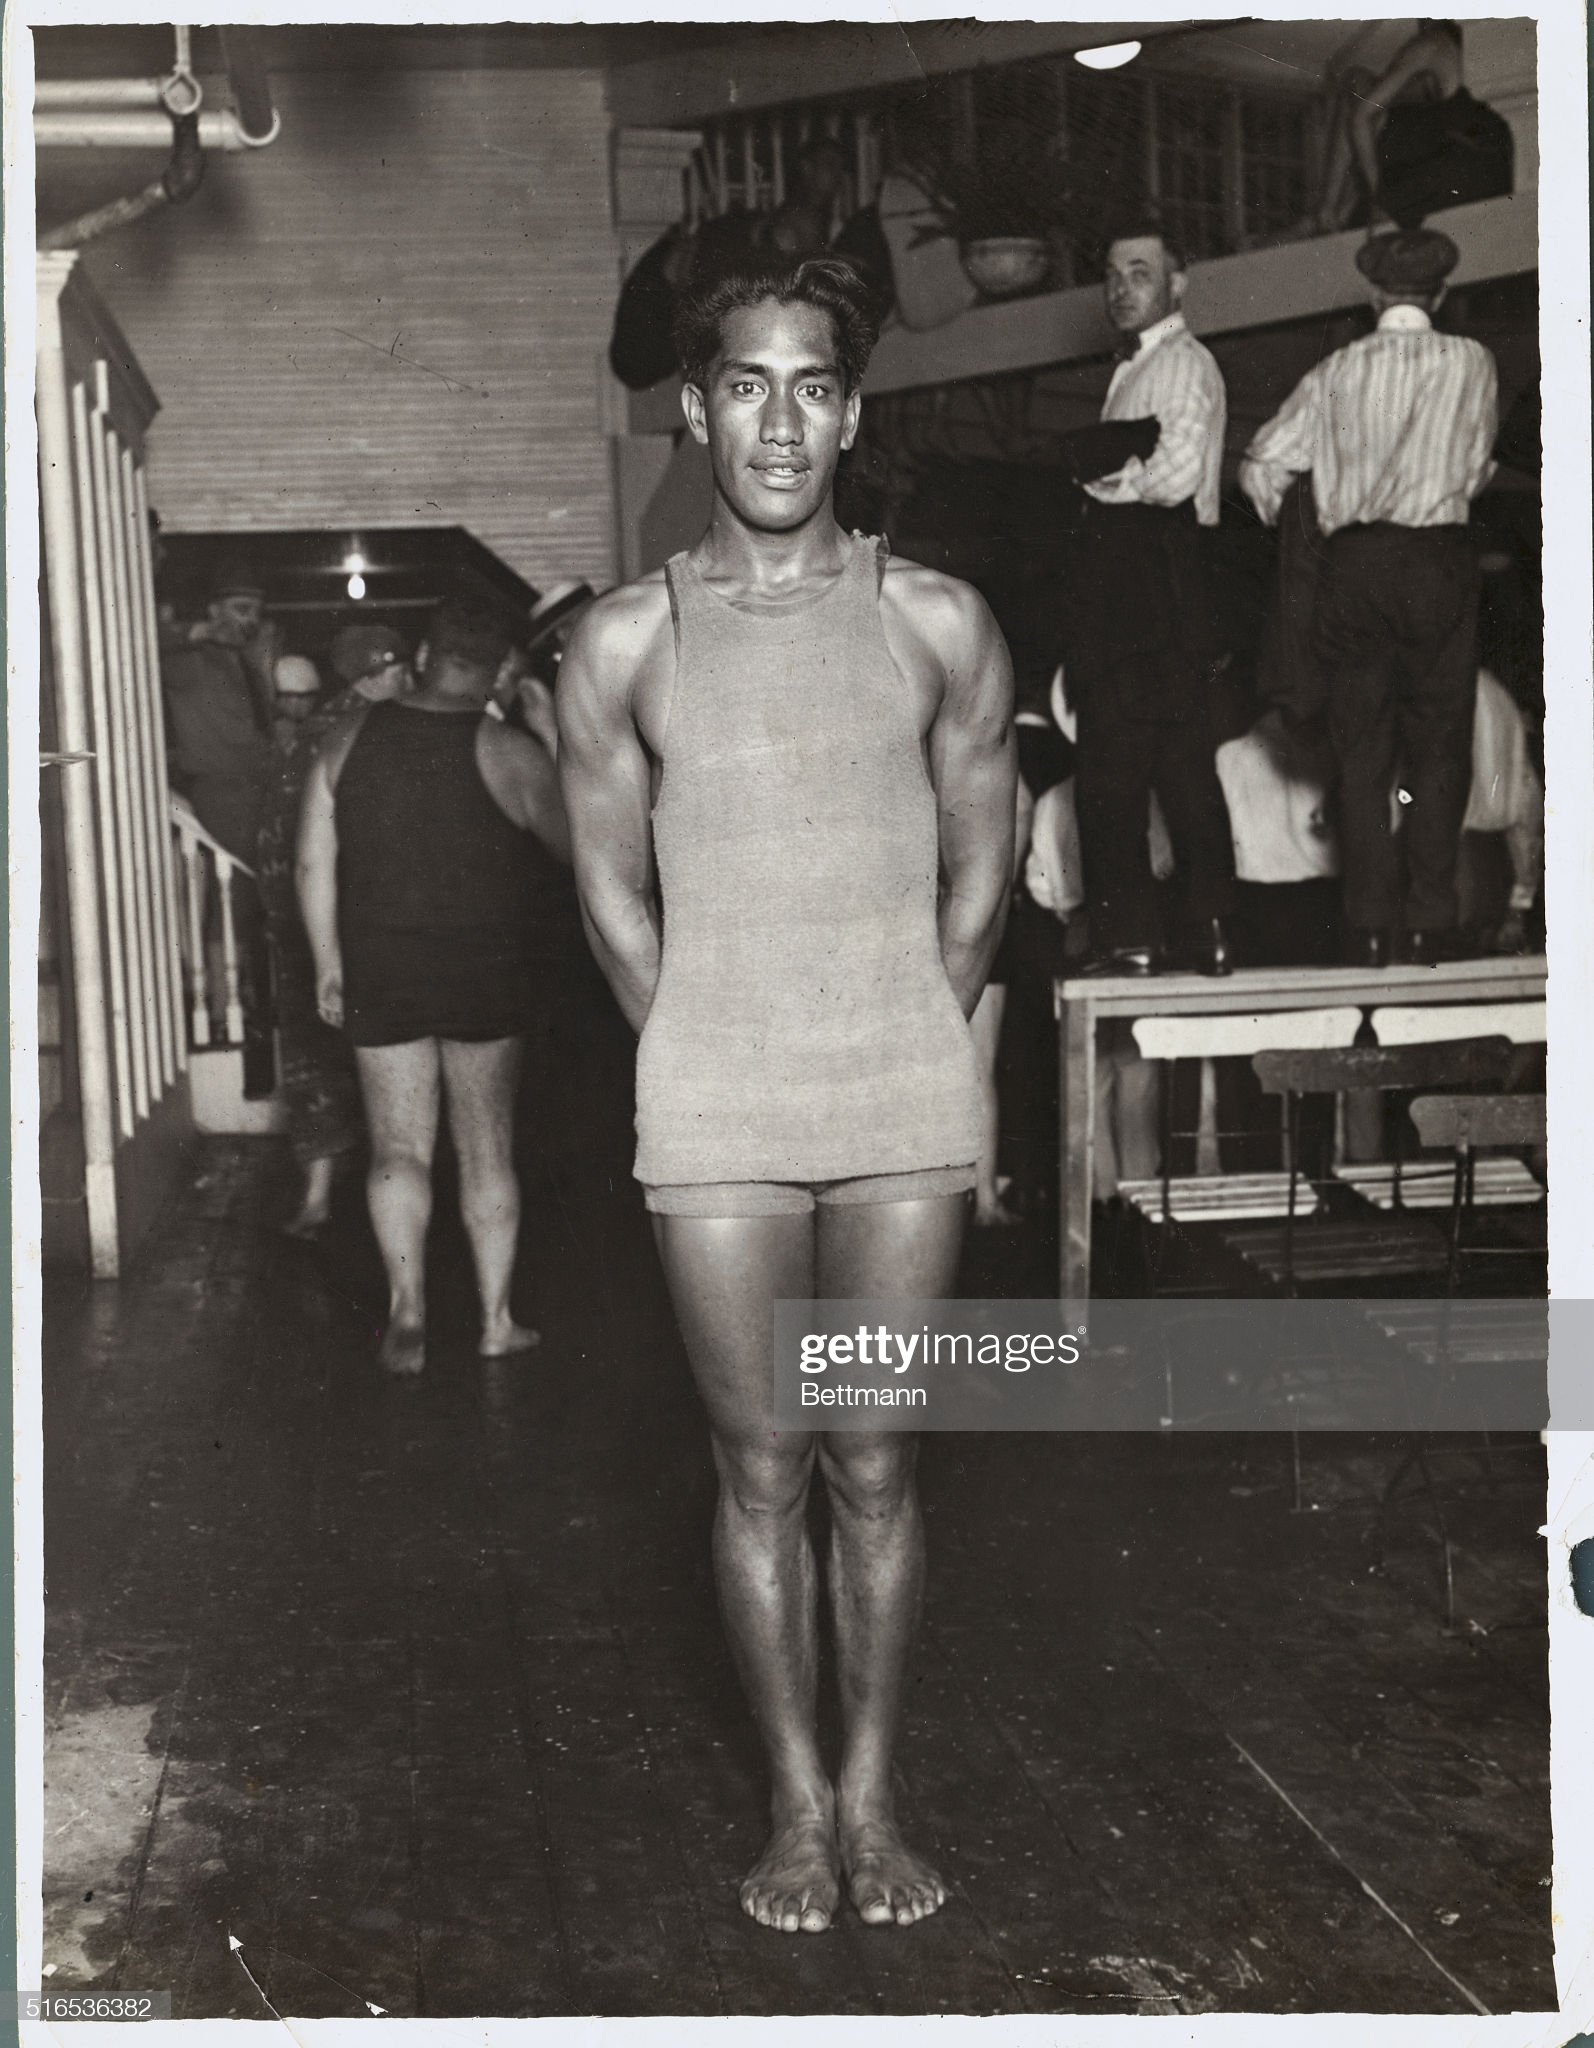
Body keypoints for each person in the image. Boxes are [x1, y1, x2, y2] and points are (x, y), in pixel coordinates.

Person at [557, 255, 1015, 1934]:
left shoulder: (934, 619)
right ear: (693, 406)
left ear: (851, 408)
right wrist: (691, 1030)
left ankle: (876, 1787)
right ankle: (796, 1801)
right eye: (742, 383)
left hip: (896, 1087)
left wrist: (905, 1017)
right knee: (757, 1466)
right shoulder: (622, 641)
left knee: (876, 1464)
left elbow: (985, 863)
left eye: (810, 384)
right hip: (715, 1101)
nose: (776, 419)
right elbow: (607, 886)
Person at [296, 600, 570, 1372]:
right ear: (502, 669)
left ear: (425, 652)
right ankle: (494, 1321)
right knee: (486, 1149)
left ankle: (407, 1309)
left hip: (382, 968)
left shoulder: (349, 737)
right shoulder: (505, 748)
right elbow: (580, 851)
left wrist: (328, 961)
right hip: (484, 972)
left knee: (397, 1147)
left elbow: (314, 861)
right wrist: (546, 732)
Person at [1239, 227, 1497, 965]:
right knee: (1440, 748)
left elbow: (1262, 465)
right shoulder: (1471, 362)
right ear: (1440, 295)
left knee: (1361, 755)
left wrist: (1306, 526)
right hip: (1438, 561)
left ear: (1376, 295)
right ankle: (1430, 921)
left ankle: (1369, 925)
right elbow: (1475, 468)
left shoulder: (1337, 371)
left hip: (1352, 570)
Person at [1059, 219, 1236, 976]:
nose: (1120, 288)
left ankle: (1150, 938)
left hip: (1152, 574)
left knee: (1124, 769)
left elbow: (1176, 477)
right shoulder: (1136, 369)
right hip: (1142, 579)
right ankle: (1198, 935)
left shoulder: (1184, 364)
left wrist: (1100, 478)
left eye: (1139, 272)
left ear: (1177, 283)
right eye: (1112, 273)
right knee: (1160, 766)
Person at [256, 630, 413, 1238]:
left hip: (307, 928)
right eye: (401, 669)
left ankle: (321, 1200)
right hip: (348, 926)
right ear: (371, 677)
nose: (410, 679)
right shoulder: (359, 735)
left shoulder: (320, 735)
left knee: (315, 1064)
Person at [1311, 21, 1513, 236]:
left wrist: (1380, 197)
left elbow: (1360, 117)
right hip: (1488, 168)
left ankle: (1329, 209)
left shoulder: (1430, 44)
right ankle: (1336, 210)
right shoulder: (1464, 44)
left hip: (1454, 165)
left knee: (1355, 83)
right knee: (1363, 90)